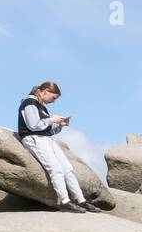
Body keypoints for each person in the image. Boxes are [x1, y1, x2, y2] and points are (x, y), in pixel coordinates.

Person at [17, 81, 99, 213]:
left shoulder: (42, 107)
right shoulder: (29, 102)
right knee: (56, 169)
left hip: (47, 139)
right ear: (46, 91)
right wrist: (51, 120)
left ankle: (81, 200)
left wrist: (60, 124)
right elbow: (33, 125)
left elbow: (48, 129)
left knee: (68, 169)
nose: (54, 101)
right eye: (54, 98)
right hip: (34, 139)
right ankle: (65, 201)